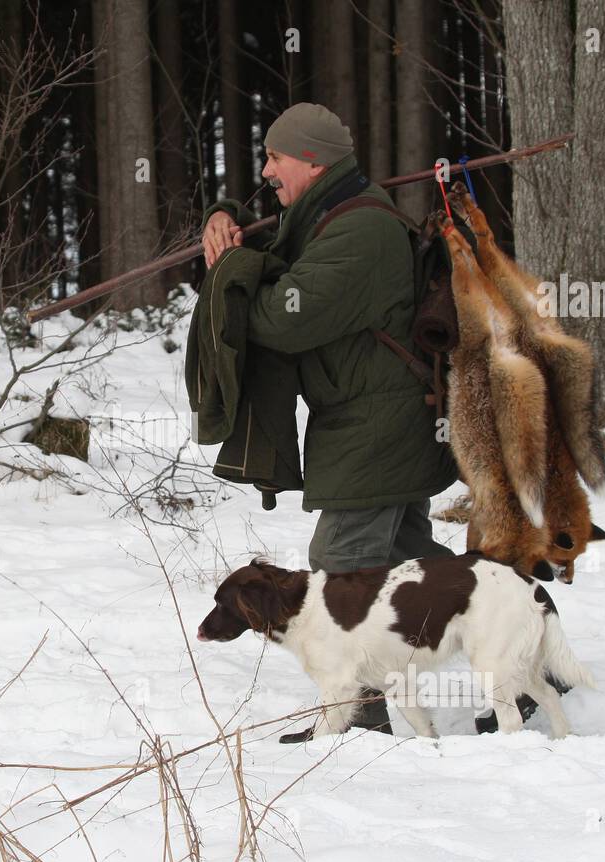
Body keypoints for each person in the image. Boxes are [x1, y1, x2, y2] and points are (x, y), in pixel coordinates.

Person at [201, 102, 458, 733]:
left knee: (340, 564)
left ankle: (359, 721)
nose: (266, 171)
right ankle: (528, 639)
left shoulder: (358, 233)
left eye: (276, 158)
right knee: (410, 561)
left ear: (313, 162)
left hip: (379, 426)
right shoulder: (321, 214)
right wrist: (223, 214)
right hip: (374, 418)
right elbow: (274, 236)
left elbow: (283, 320)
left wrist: (230, 273)